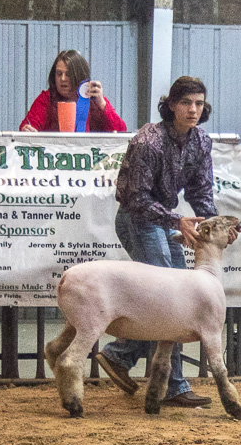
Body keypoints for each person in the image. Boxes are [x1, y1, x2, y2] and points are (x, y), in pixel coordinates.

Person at [93, 76, 220, 409]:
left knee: (177, 298)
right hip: (138, 220)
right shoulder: (148, 140)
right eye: (187, 103)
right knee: (169, 298)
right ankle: (173, 385)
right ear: (172, 105)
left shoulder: (201, 141)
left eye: (199, 104)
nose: (194, 110)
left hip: (164, 220)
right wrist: (177, 220)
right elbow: (134, 198)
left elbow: (201, 192)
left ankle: (120, 355)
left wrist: (214, 224)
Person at [19, 49, 127, 132]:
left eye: (69, 74)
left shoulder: (94, 100)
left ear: (79, 76)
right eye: (59, 73)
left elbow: (121, 131)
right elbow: (26, 128)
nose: (63, 79)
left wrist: (102, 104)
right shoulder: (46, 98)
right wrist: (27, 130)